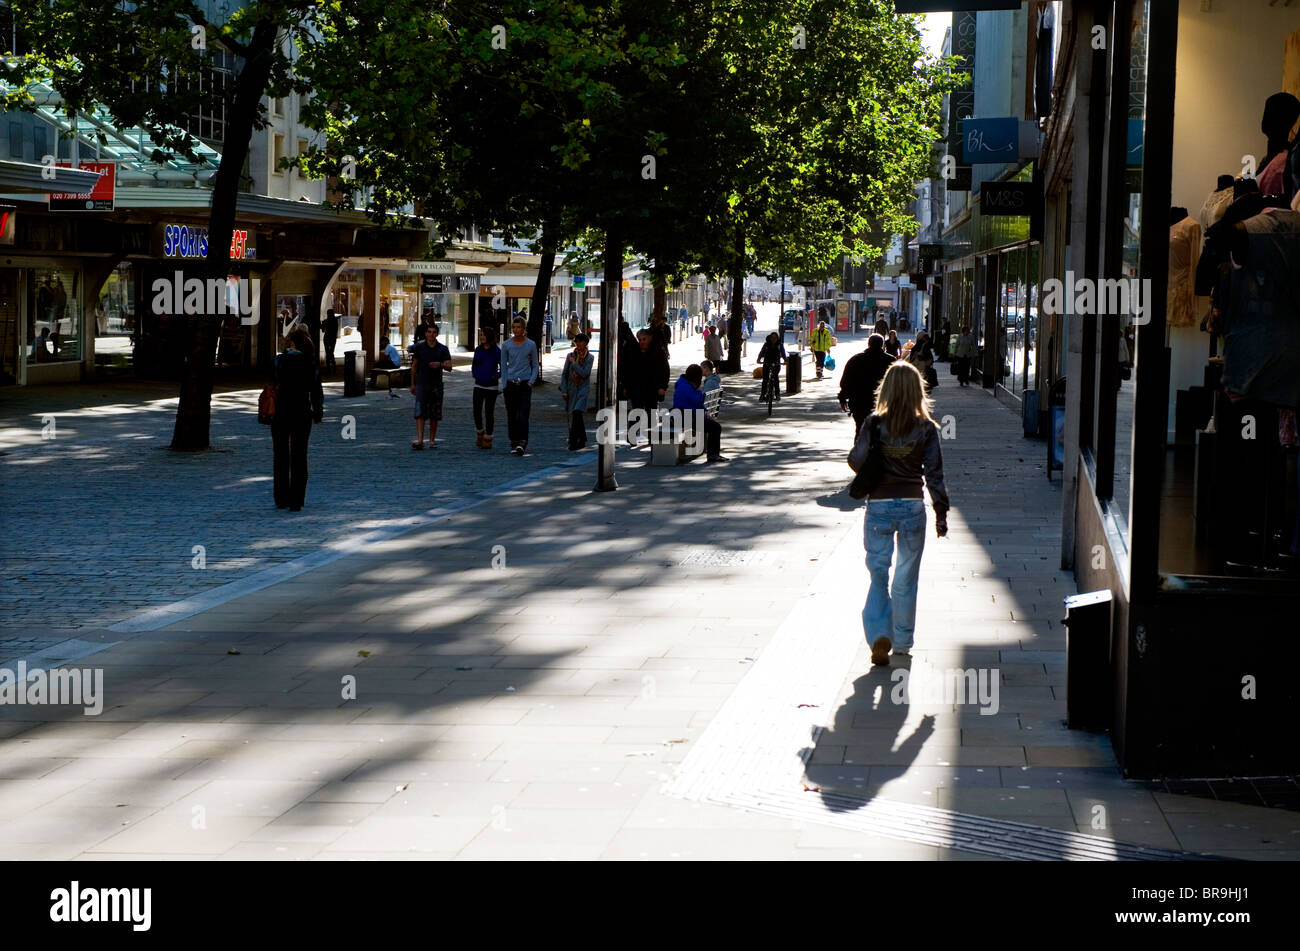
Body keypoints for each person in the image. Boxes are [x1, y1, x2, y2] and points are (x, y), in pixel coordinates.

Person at [848, 360, 949, 666]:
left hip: (879, 505)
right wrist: (941, 513)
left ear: (887, 389)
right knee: (906, 577)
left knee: (878, 574)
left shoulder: (874, 423)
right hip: (912, 506)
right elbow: (934, 474)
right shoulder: (927, 428)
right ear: (918, 390)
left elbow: (856, 461)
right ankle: (902, 643)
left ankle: (880, 633)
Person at [271, 327, 324, 512]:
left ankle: (281, 497)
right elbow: (316, 391)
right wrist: (318, 413)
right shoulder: (310, 364)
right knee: (299, 456)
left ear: (292, 343)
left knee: (280, 455)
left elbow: (273, 382)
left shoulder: (279, 361)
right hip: (302, 411)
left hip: (281, 411)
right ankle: (296, 500)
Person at [838, 333, 894, 440]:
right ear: (882, 345)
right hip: (883, 403)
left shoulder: (855, 360)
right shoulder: (891, 361)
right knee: (882, 432)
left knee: (860, 429)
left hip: (860, 403)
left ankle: (860, 448)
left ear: (868, 344)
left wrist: (843, 398)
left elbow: (846, 382)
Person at [408, 322, 453, 449]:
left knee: (434, 413)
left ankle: (432, 440)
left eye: (434, 332)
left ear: (437, 334)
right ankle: (420, 440)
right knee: (420, 412)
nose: (431, 335)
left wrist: (440, 364)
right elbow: (414, 367)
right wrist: (412, 384)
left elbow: (449, 367)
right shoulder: (420, 348)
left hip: (436, 385)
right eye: (429, 332)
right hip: (422, 383)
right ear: (425, 334)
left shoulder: (443, 349)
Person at [672, 363, 725, 463]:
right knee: (715, 427)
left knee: (714, 426)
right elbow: (696, 401)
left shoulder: (685, 384)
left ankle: (713, 454)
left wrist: (704, 412)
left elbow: (697, 403)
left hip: (688, 415)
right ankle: (713, 455)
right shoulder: (685, 387)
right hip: (685, 416)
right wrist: (702, 412)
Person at [501, 315, 539, 455]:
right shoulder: (506, 345)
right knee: (512, 415)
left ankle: (523, 441)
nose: (516, 330)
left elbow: (535, 365)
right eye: (514, 327)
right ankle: (514, 440)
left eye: (519, 327)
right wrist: (504, 384)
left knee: (523, 413)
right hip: (510, 384)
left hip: (524, 384)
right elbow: (503, 366)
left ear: (524, 329)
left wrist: (531, 381)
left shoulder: (531, 345)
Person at [624, 329, 670, 432]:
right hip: (637, 387)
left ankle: (651, 435)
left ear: (650, 338)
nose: (642, 342)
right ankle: (632, 434)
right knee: (636, 412)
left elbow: (665, 370)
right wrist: (626, 386)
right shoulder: (633, 351)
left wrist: (663, 387)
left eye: (644, 339)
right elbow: (628, 370)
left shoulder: (658, 351)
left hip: (652, 388)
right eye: (640, 340)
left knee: (651, 413)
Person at [558, 332, 594, 450]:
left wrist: (574, 363)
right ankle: (582, 439)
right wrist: (564, 390)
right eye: (576, 342)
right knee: (576, 415)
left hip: (583, 389)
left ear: (586, 343)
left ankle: (573, 441)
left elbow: (585, 373)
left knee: (577, 412)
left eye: (581, 342)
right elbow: (564, 374)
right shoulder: (570, 355)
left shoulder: (590, 357)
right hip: (571, 389)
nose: (578, 344)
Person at [471, 325, 502, 449]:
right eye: (481, 335)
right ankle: (480, 432)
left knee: (489, 412)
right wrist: (475, 374)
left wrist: (495, 376)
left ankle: (488, 437)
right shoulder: (478, 350)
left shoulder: (496, 351)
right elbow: (474, 365)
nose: (482, 337)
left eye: (484, 335)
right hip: (478, 384)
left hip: (491, 386)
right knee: (476, 411)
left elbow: (503, 367)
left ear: (489, 336)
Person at [757, 331, 787, 402]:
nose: (773, 339)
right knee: (765, 379)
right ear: (770, 338)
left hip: (776, 363)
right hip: (767, 363)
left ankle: (777, 394)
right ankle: (762, 394)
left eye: (775, 338)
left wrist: (785, 360)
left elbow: (783, 353)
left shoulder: (779, 345)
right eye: (772, 338)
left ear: (777, 338)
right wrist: (759, 359)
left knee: (775, 378)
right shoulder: (766, 344)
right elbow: (762, 352)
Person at [322, 308, 339, 372]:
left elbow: (323, 330)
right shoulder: (335, 321)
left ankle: (328, 368)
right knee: (331, 352)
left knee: (328, 353)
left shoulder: (326, 321)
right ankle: (333, 367)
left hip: (326, 338)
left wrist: (322, 323)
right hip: (333, 339)